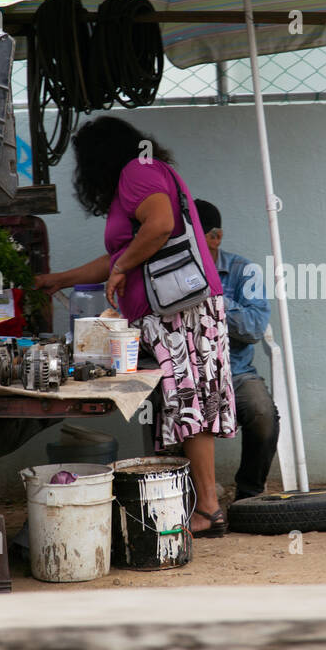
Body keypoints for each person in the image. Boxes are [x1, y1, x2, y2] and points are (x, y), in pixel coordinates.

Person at [35, 116, 235, 537]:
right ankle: (198, 505)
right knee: (184, 405)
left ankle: (210, 510)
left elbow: (159, 227)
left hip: (182, 311)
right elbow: (124, 254)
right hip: (175, 310)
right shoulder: (144, 174)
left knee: (190, 405)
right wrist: (60, 279)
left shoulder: (137, 173)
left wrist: (122, 267)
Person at [194, 200, 281, 501]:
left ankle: (249, 493)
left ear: (215, 237)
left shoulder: (245, 271)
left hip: (236, 372)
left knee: (263, 414)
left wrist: (214, 298)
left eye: (193, 238)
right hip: (189, 375)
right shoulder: (171, 274)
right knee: (167, 414)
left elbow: (256, 327)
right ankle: (193, 496)